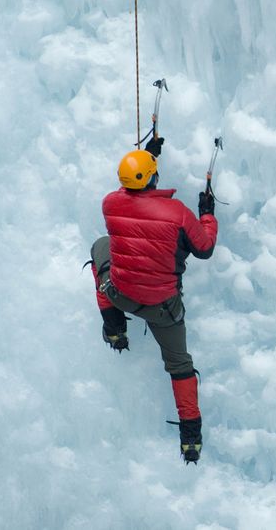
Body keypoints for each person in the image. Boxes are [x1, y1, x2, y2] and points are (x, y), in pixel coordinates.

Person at [87, 136, 218, 464]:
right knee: (179, 365)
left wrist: (148, 156)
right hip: (162, 308)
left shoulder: (110, 204)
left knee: (101, 247)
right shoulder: (177, 213)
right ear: (153, 178)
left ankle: (115, 328)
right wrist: (207, 215)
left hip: (121, 293)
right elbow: (204, 249)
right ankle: (191, 438)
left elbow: (129, 197)